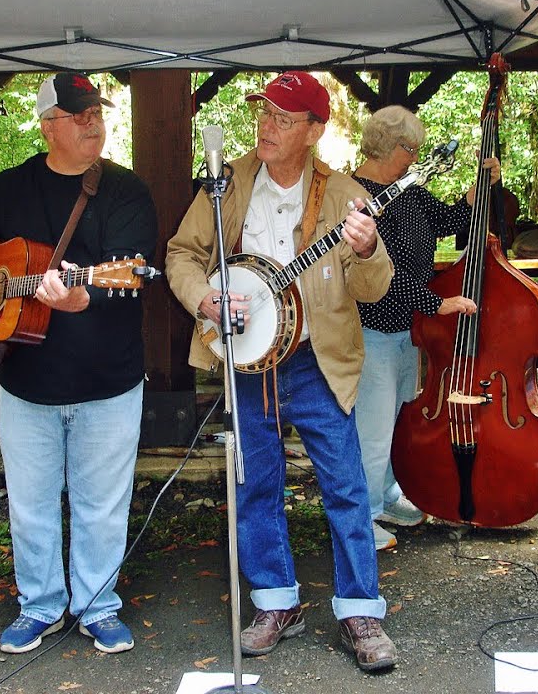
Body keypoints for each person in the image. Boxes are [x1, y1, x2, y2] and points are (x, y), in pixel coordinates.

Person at [166, 71, 398, 671]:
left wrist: (369, 247)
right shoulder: (227, 183)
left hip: (317, 362)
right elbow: (182, 254)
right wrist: (204, 300)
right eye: (263, 115)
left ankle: (360, 612)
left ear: (315, 131)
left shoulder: (347, 193)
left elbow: (375, 288)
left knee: (345, 487)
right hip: (245, 360)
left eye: (283, 118)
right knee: (255, 484)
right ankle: (276, 602)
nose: (267, 127)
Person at [0, 73, 157, 654]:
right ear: (48, 125)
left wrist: (84, 296)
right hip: (27, 384)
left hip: (108, 380)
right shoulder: (9, 189)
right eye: (78, 116)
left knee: (101, 505)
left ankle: (98, 605)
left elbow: (130, 274)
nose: (92, 124)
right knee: (30, 506)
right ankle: (40, 605)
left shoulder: (126, 192)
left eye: (96, 114)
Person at [349, 105, 500, 551]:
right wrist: (438, 303)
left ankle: (389, 493)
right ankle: (362, 515)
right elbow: (384, 274)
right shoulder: (356, 197)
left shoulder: (409, 191)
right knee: (372, 429)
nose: (416, 158)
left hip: (404, 331)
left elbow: (453, 222)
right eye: (410, 150)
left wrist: (479, 195)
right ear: (389, 147)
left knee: (397, 419)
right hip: (369, 329)